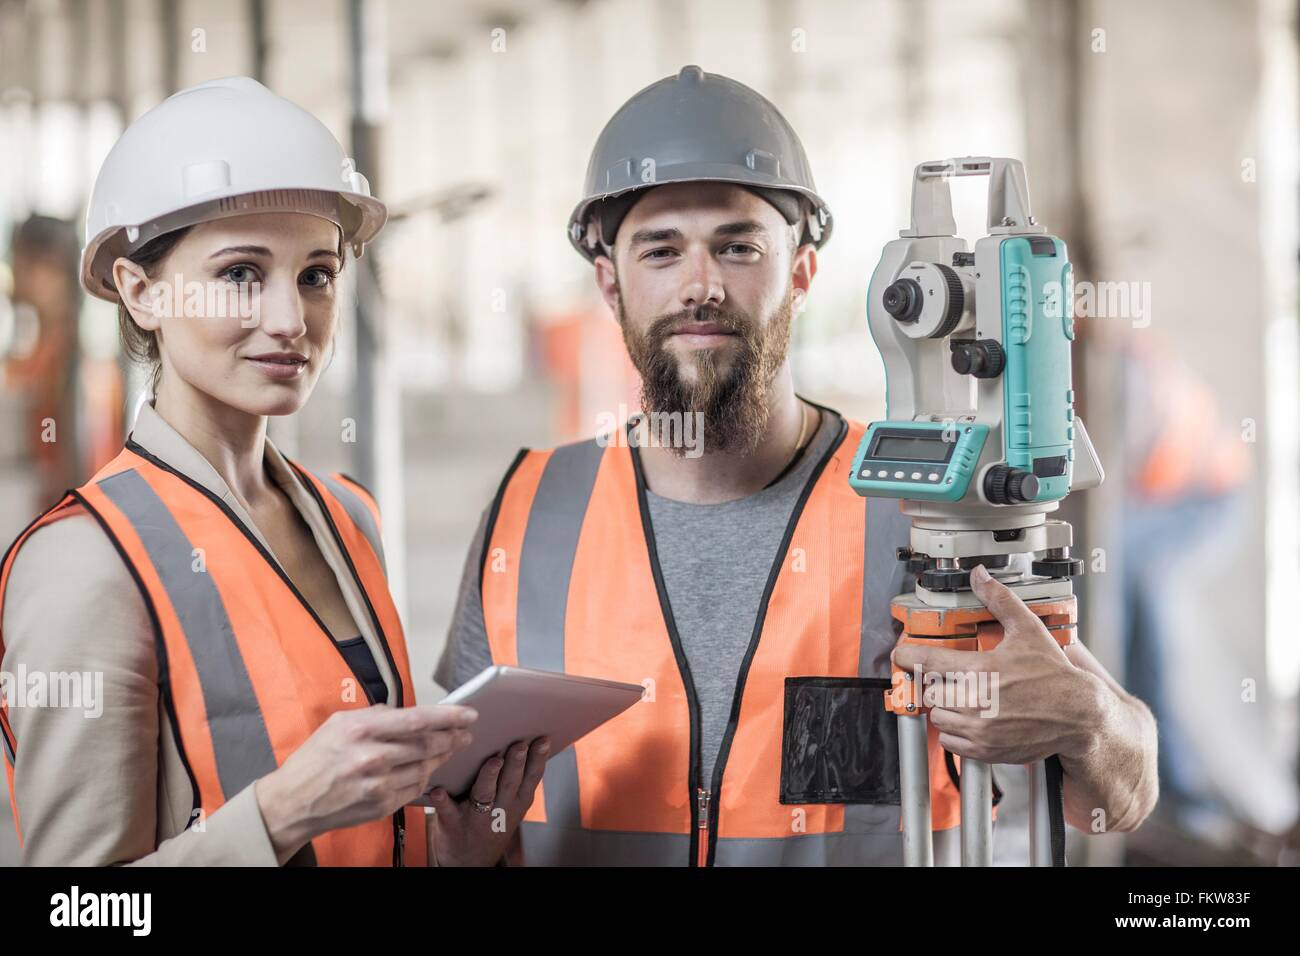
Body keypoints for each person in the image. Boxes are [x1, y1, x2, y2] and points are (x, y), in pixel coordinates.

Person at [436, 65, 1158, 866]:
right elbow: (458, 818)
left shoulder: (929, 517)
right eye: (661, 250)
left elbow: (1116, 800)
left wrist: (1088, 721)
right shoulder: (529, 512)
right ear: (610, 284)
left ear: (802, 273)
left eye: (739, 246)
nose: (701, 285)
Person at [0, 76, 545, 866]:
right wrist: (280, 814)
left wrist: (455, 849)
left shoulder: (347, 518)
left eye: (316, 275)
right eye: (239, 274)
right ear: (142, 291)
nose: (290, 320)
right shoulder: (88, 562)